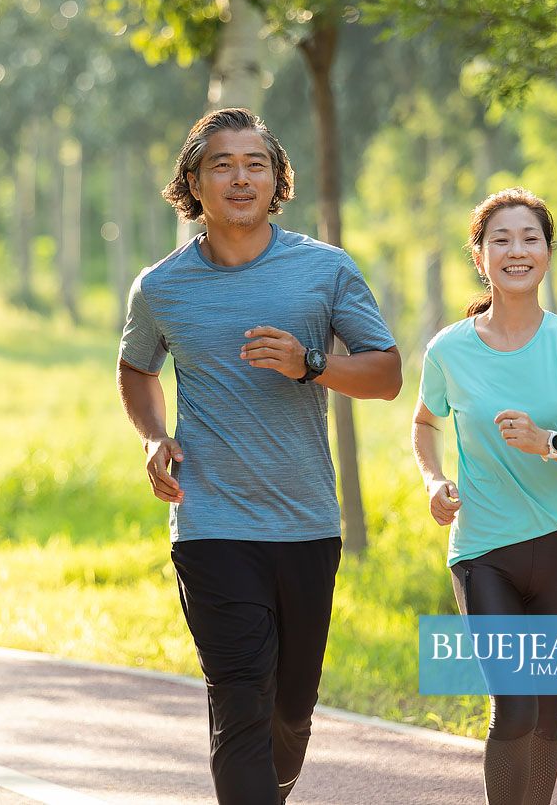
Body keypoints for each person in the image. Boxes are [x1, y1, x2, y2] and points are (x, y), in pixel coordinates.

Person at [116, 107, 401, 805]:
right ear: (193, 181)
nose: (239, 177)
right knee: (240, 697)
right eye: (222, 163)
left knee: (290, 709)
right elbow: (135, 369)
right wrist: (154, 436)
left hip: (305, 521)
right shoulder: (160, 286)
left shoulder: (324, 269)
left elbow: (386, 374)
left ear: (277, 180)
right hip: (210, 520)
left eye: (255, 164)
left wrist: (310, 364)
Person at [411, 187, 557, 805]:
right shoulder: (449, 349)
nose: (516, 250)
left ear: (549, 253)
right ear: (480, 257)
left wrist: (547, 442)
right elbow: (424, 423)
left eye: (529, 238)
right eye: (500, 239)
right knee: (517, 705)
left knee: (548, 714)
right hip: (483, 550)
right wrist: (433, 479)